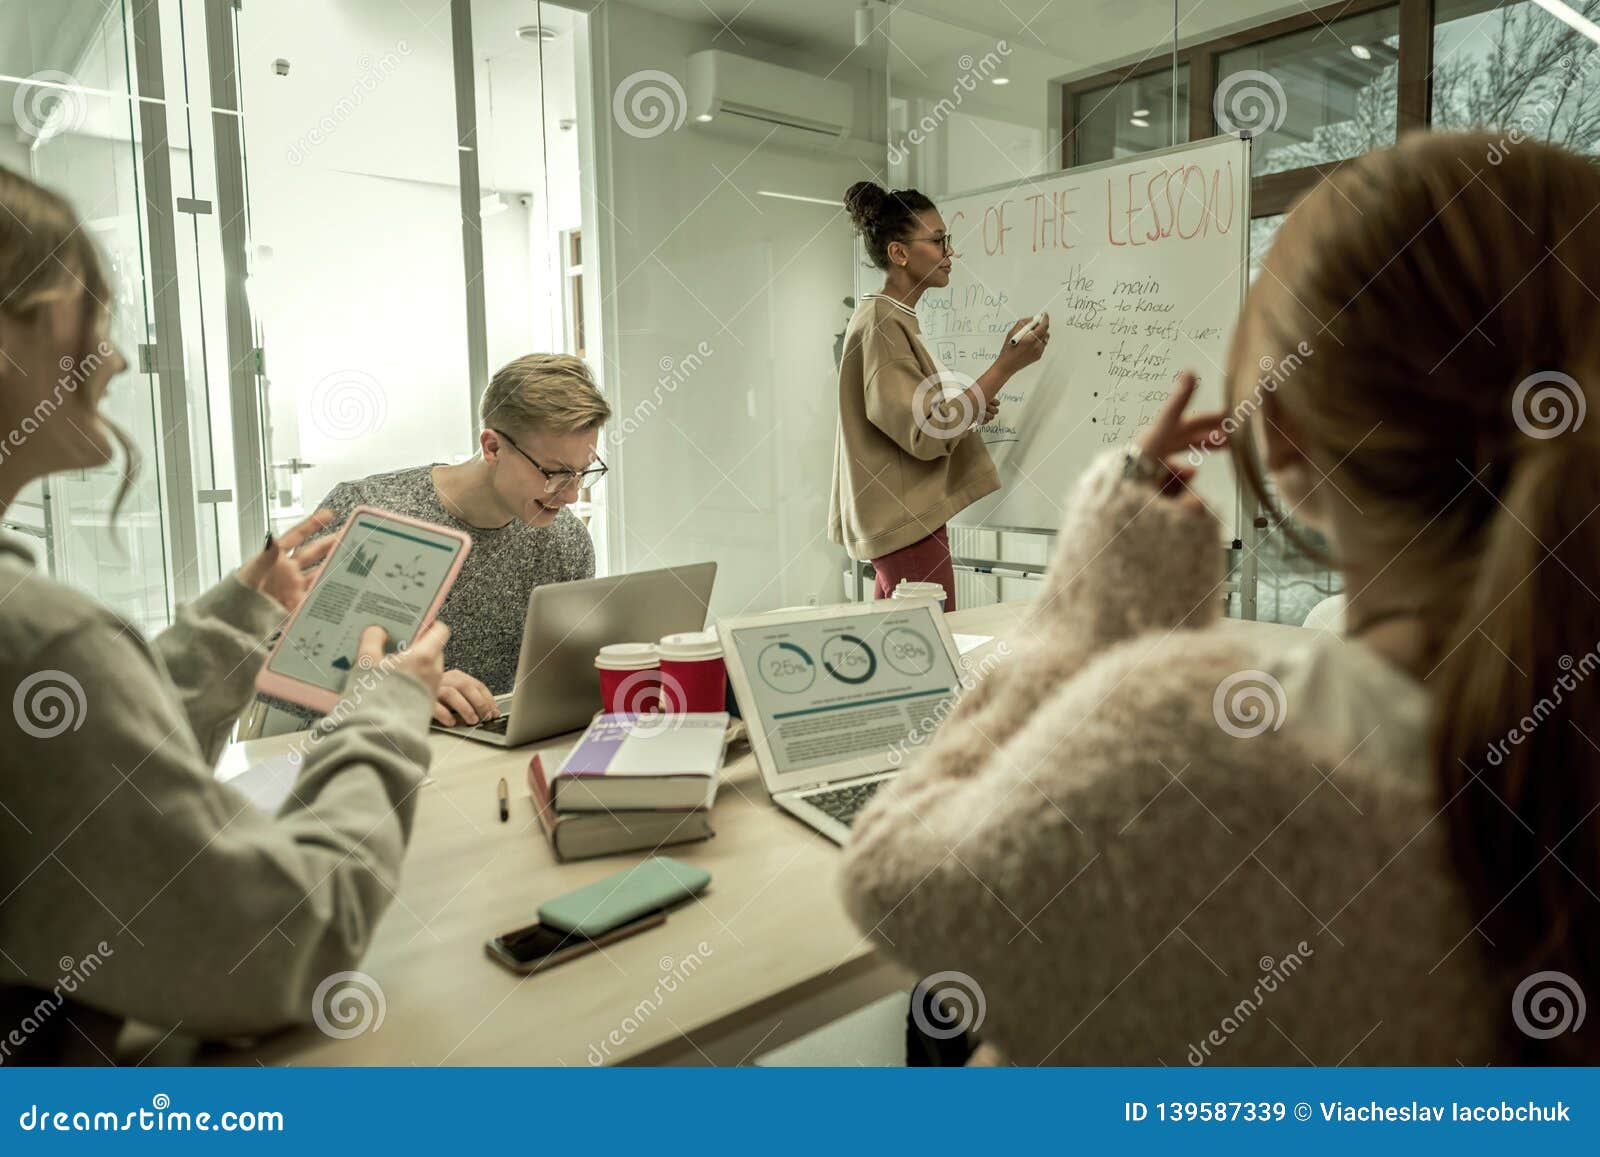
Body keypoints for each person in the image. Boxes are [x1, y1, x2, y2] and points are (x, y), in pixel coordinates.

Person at [840, 132, 1600, 1065]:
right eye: (939, 239)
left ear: (1282, 435)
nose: (949, 251)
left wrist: (1099, 595)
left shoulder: (1182, 743)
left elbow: (895, 880)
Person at [0, 165, 446, 1063]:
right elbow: (281, 941)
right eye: (89, 314)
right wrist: (384, 713)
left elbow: (79, 783)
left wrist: (236, 623)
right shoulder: (42, 636)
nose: (114, 359)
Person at [255, 355, 610, 733]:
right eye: (555, 473)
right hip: (361, 751)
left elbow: (561, 681)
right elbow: (267, 668)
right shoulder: (370, 513)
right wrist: (397, 689)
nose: (571, 495)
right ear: (492, 447)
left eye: (582, 473)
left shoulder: (566, 541)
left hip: (491, 750)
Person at [831, 182, 1050, 612]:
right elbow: (926, 432)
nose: (950, 253)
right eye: (937, 241)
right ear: (899, 253)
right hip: (904, 524)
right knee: (933, 640)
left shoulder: (891, 318)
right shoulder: (882, 324)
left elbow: (917, 417)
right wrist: (1006, 366)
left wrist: (969, 408)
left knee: (901, 641)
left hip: (904, 523)